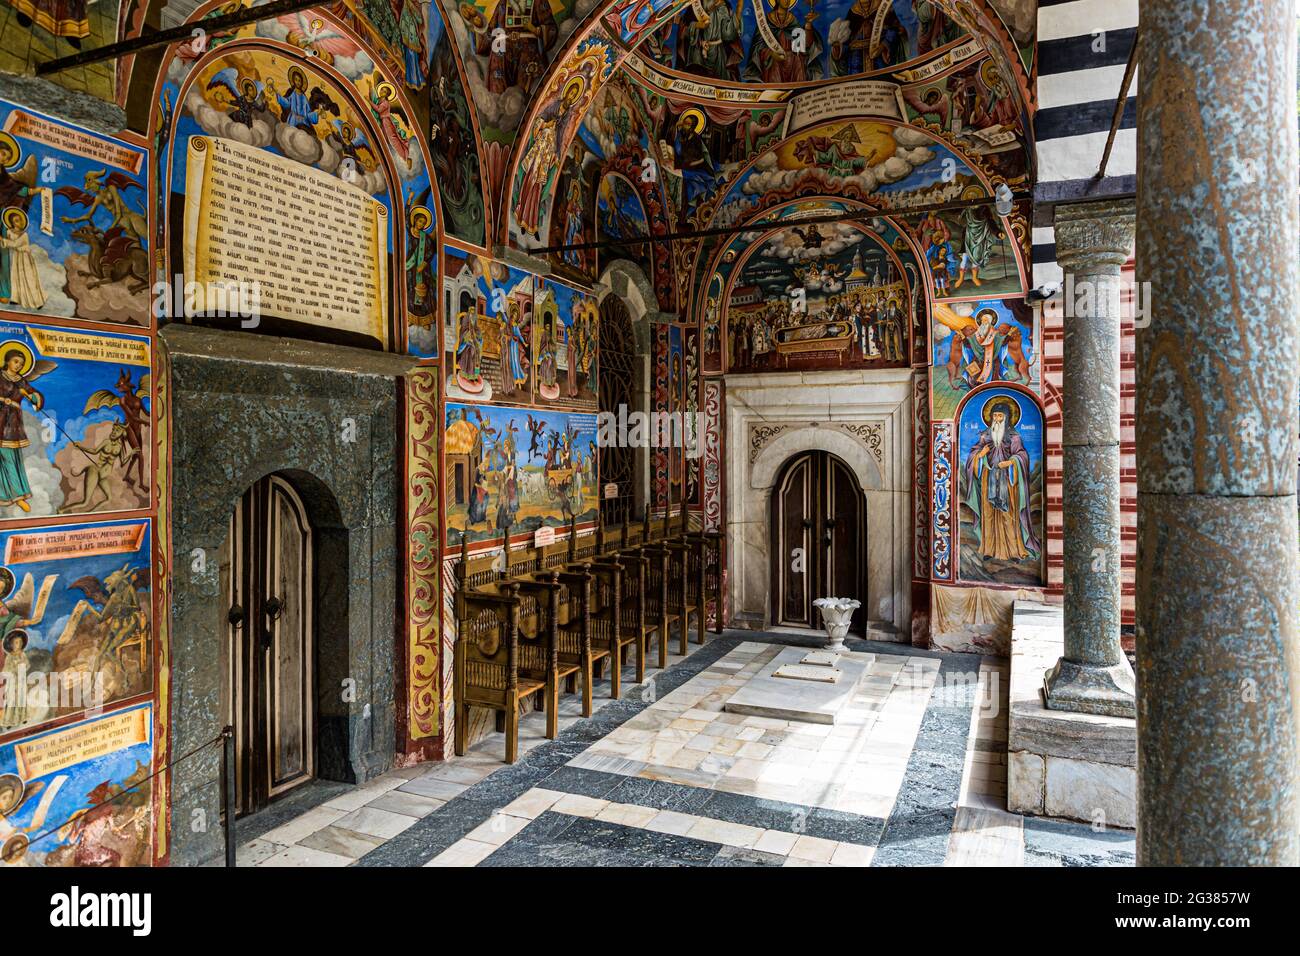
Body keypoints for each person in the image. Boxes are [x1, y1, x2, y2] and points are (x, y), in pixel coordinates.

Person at [962, 397, 1040, 565]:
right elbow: (973, 455)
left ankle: (1013, 551)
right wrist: (980, 456)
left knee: (1008, 514)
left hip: (1008, 480)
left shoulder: (1014, 437)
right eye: (995, 416)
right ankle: (989, 549)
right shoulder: (984, 436)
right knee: (989, 514)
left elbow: (1022, 455)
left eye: (1000, 416)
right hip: (988, 478)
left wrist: (1012, 461)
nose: (997, 419)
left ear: (1006, 418)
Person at [0, 346, 49, 513]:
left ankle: (15, 495)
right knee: (4, 458)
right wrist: (3, 400)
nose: (18, 366)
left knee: (13, 457)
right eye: (16, 362)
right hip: (0, 418)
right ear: (7, 361)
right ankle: (11, 496)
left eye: (21, 364)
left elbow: (34, 393)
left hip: (12, 422)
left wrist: (35, 398)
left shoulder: (20, 381)